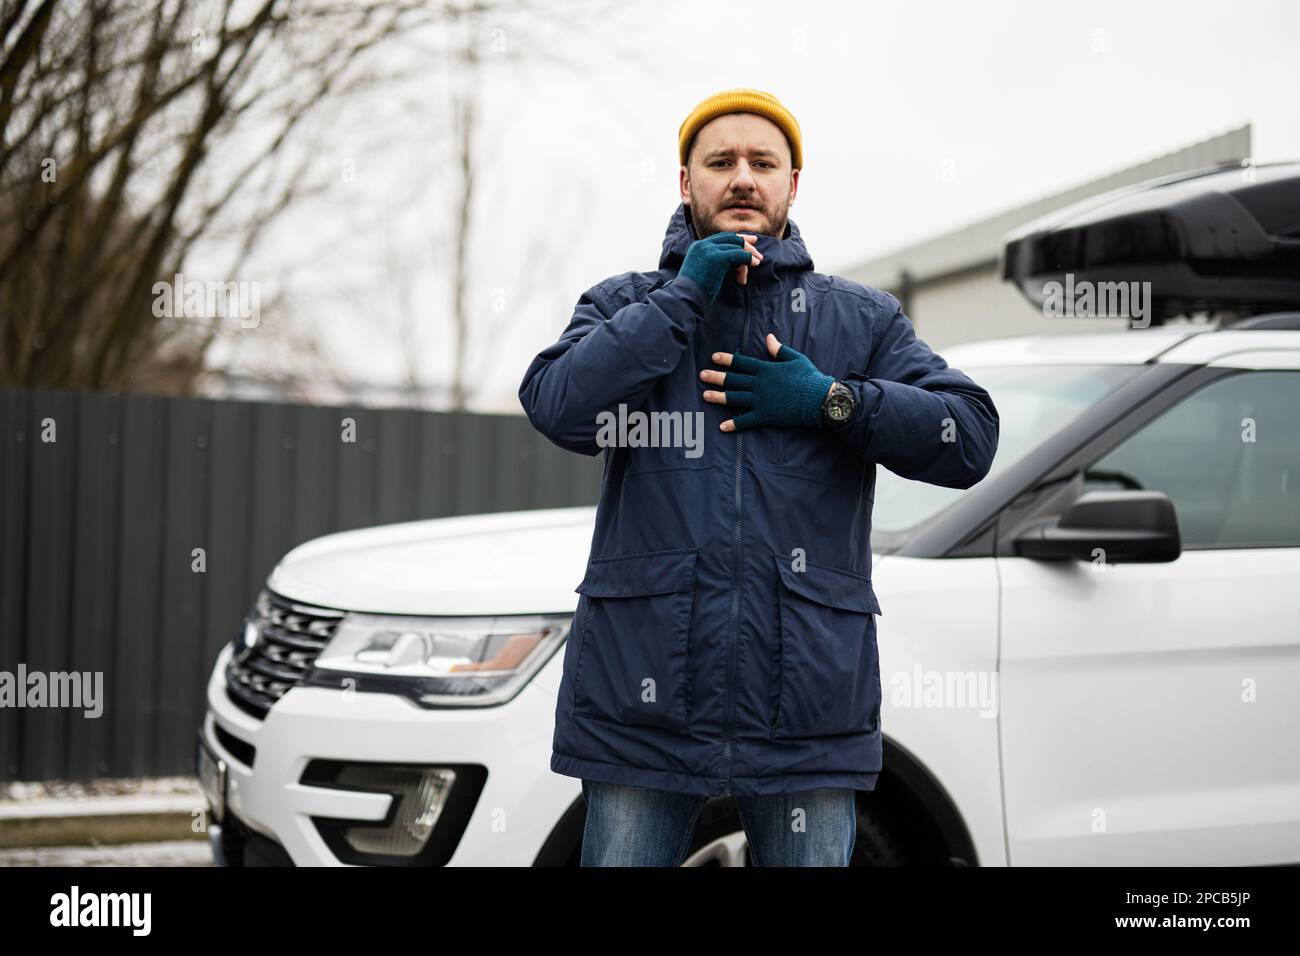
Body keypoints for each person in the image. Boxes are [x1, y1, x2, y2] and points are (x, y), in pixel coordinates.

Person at [518, 88, 1000, 866]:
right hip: (642, 696)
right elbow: (558, 407)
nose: (742, 177)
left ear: (791, 185)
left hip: (805, 702)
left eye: (762, 163)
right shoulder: (625, 303)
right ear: (686, 183)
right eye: (721, 162)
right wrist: (681, 298)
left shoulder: (860, 320)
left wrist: (832, 401)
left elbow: (969, 436)